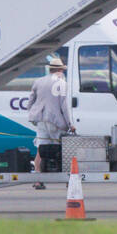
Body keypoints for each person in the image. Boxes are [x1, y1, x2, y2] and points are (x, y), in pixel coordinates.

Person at [27, 57, 75, 189]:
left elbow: (30, 103)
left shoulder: (38, 81)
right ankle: (67, 179)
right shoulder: (62, 83)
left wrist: (33, 114)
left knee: (41, 148)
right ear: (60, 70)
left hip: (40, 120)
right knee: (64, 149)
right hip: (55, 121)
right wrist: (70, 123)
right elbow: (64, 106)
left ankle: (38, 179)